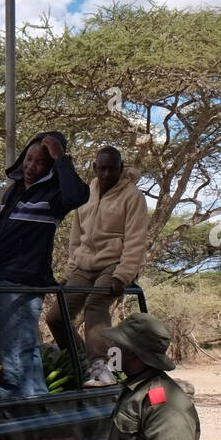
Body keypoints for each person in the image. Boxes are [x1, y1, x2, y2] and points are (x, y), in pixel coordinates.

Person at [0, 131, 90, 397]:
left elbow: (78, 195)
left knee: (15, 352)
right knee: (25, 349)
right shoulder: (15, 192)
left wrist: (61, 157)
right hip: (3, 278)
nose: (30, 167)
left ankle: (12, 399)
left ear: (51, 166)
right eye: (28, 159)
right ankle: (38, 402)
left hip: (24, 281)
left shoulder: (54, 196)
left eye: (40, 163)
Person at [48, 146, 149, 388]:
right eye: (101, 168)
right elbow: (76, 237)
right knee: (56, 315)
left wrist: (122, 275)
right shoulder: (87, 192)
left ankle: (101, 366)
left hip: (113, 265)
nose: (106, 174)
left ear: (120, 168)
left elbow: (136, 239)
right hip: (84, 264)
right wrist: (70, 271)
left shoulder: (133, 196)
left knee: (96, 304)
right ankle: (82, 362)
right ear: (94, 168)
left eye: (111, 168)